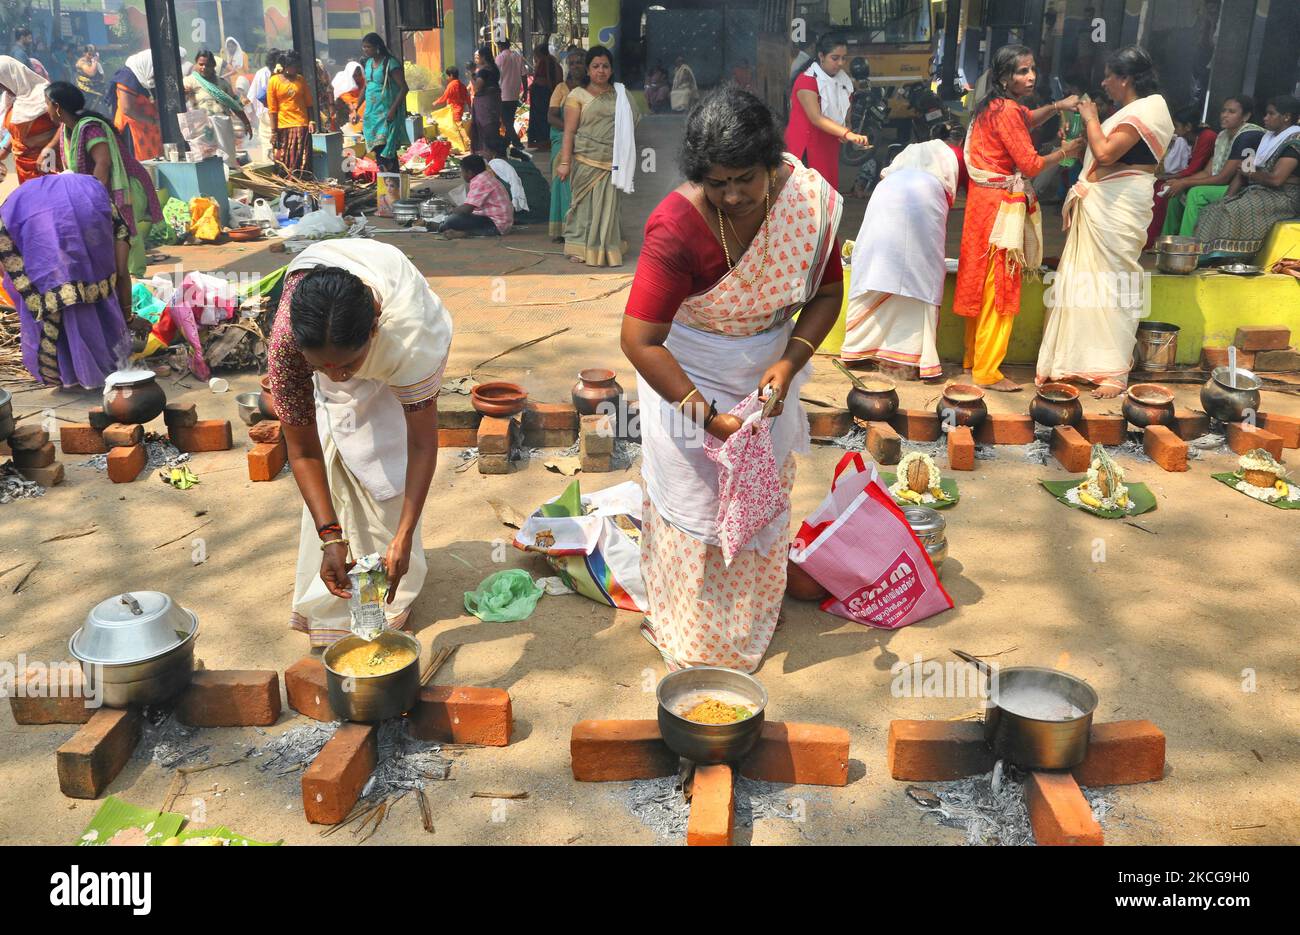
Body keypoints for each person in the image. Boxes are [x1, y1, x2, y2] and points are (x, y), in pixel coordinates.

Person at [621, 87, 844, 673]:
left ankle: (750, 613)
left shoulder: (804, 204)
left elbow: (827, 294)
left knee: (760, 497)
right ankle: (691, 631)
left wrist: (790, 361)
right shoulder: (675, 228)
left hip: (769, 381)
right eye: (717, 183)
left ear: (774, 164)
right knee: (697, 502)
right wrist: (708, 416)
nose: (734, 195)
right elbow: (640, 341)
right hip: (687, 379)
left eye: (746, 178)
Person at [267, 240, 452, 648]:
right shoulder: (286, 347)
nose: (335, 377)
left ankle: (396, 588)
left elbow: (421, 445)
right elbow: (302, 450)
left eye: (348, 365)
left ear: (374, 329)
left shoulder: (408, 339)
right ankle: (339, 605)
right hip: (338, 331)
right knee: (335, 442)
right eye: (320, 367)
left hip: (395, 333)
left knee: (386, 456)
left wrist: (403, 533)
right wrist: (330, 536)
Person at [1036, 46, 1174, 398]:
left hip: (1120, 205)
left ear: (1125, 78)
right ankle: (1076, 362)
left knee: (1114, 284)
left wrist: (1092, 116)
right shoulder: (1128, 111)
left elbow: (1107, 153)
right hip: (1101, 203)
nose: (1104, 82)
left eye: (1109, 75)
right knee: (1084, 282)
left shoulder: (1148, 109)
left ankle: (1113, 370)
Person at [953, 44, 1083, 392]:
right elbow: (1031, 165)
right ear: (1004, 77)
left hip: (982, 203)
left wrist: (1058, 106)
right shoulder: (1008, 111)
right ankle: (988, 371)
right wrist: (1066, 152)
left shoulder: (992, 106)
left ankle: (973, 360)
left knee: (980, 279)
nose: (1031, 76)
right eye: (1022, 71)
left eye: (1032, 70)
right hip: (1000, 207)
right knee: (1000, 282)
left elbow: (1028, 117)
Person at [0, 173, 145, 389]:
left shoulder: (97, 201)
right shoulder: (115, 220)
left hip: (22, 214)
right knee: (82, 288)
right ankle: (88, 369)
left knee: (58, 289)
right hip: (32, 216)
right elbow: (122, 273)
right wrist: (128, 317)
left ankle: (65, 372)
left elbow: (12, 276)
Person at [842, 140, 961, 381]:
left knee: (876, 270)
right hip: (920, 238)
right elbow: (936, 233)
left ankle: (859, 350)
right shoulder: (935, 185)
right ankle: (914, 357)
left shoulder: (887, 182)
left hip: (880, 244)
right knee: (921, 279)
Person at [43, 81, 162, 278]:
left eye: (46, 103)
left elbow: (103, 163)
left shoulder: (90, 128)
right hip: (103, 186)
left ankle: (135, 278)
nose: (45, 109)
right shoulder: (69, 126)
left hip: (123, 186)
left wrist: (92, 198)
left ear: (56, 107)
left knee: (125, 230)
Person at [556, 46, 637, 267]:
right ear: (588, 70)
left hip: (613, 160)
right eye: (596, 66)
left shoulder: (620, 94)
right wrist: (565, 162)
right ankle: (578, 246)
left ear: (611, 70)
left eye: (605, 66)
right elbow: (569, 131)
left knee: (610, 207)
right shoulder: (577, 95)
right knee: (582, 206)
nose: (601, 71)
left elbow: (633, 123)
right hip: (585, 158)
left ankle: (608, 247)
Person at [1195, 95, 1300, 263]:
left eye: (1270, 114)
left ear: (1286, 117)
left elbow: (1276, 180)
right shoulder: (1266, 139)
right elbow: (1243, 171)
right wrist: (1228, 196)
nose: (1265, 118)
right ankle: (1203, 257)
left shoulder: (1294, 141)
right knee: (1215, 208)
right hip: (1261, 192)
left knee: (1232, 211)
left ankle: (1229, 259)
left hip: (1284, 197)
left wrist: (1249, 174)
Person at [1160, 95, 1263, 238]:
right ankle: (1166, 242)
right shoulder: (1223, 136)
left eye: (1231, 112)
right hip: (1224, 185)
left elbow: (1223, 178)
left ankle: (1186, 246)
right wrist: (1179, 183)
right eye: (1223, 111)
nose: (1225, 115)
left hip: (1245, 188)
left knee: (1196, 193)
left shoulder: (1248, 135)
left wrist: (1185, 182)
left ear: (1246, 116)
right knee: (1175, 192)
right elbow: (1207, 172)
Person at [784, 32, 869, 191]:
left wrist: (847, 127)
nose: (840, 63)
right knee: (808, 197)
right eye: (835, 58)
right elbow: (816, 118)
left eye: (844, 58)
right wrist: (846, 133)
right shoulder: (807, 80)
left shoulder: (842, 80)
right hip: (806, 148)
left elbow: (845, 108)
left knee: (826, 195)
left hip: (828, 145)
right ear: (821, 56)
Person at [1145, 105, 1217, 247]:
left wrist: (1167, 177)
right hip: (1195, 177)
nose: (1174, 129)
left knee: (1166, 189)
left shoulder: (1207, 136)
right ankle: (1163, 242)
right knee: (1162, 189)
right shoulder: (1189, 139)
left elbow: (1194, 168)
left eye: (1176, 126)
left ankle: (1181, 246)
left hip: (1205, 179)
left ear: (1188, 126)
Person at [184, 49, 252, 166]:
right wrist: (185, 93)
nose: (204, 68)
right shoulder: (189, 81)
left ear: (214, 65)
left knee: (227, 159)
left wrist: (246, 123)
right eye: (201, 64)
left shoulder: (223, 83)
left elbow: (235, 105)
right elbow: (181, 101)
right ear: (196, 64)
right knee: (206, 159)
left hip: (222, 126)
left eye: (207, 65)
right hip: (203, 128)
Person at [0, 55, 56, 184]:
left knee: (50, 198)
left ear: (10, 77)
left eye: (1, 83)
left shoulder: (44, 95)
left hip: (47, 161)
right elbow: (16, 133)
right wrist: (5, 151)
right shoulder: (10, 99)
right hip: (23, 165)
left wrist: (49, 147)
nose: (2, 88)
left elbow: (63, 126)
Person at [548, 50, 586, 240]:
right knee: (562, 173)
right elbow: (551, 116)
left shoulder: (593, 88)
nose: (575, 66)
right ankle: (563, 228)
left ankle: (584, 227)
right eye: (571, 63)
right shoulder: (562, 88)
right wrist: (571, 130)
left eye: (579, 62)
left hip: (588, 138)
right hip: (563, 137)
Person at [360, 32, 409, 173]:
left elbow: (404, 88)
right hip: (371, 114)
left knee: (387, 150)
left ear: (377, 47)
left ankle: (391, 184)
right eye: (363, 47)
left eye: (368, 47)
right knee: (377, 149)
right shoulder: (368, 63)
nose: (365, 50)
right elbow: (366, 87)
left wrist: (393, 110)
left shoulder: (390, 63)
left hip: (387, 113)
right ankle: (388, 184)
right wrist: (355, 107)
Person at [437, 154, 512, 238]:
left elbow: (466, 210)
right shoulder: (486, 176)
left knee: (451, 220)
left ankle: (443, 227)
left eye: (462, 171)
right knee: (454, 218)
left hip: (496, 225)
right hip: (501, 222)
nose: (462, 175)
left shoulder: (480, 181)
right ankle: (452, 228)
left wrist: (452, 210)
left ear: (469, 173)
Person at [108, 49, 161, 161]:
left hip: (150, 129)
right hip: (132, 130)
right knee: (139, 165)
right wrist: (153, 121)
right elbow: (127, 109)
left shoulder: (146, 75)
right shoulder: (127, 77)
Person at [268, 50, 315, 177]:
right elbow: (272, 109)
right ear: (284, 65)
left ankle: (302, 183)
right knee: (284, 159)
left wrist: (311, 120)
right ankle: (289, 185)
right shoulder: (274, 81)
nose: (295, 68)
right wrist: (273, 132)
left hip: (301, 124)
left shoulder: (301, 80)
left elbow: (309, 103)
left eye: (296, 65)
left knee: (301, 159)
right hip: (283, 127)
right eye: (292, 65)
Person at [494, 38, 526, 157]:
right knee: (509, 120)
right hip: (514, 93)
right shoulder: (517, 56)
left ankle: (517, 143)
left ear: (500, 46)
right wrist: (526, 91)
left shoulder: (500, 58)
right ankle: (505, 143)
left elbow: (496, 76)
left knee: (507, 121)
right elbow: (524, 75)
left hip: (503, 94)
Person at [528, 43, 562, 150]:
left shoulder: (544, 61)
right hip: (545, 92)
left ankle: (543, 141)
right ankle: (544, 141)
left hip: (542, 93)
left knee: (541, 118)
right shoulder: (552, 61)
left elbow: (545, 77)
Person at [470, 64, 506, 158]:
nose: (476, 60)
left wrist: (472, 77)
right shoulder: (494, 72)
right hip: (491, 116)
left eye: (477, 57)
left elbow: (477, 86)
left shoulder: (484, 72)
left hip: (486, 116)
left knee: (488, 133)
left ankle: (489, 153)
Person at [331, 61, 365, 132]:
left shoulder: (364, 84)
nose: (358, 78)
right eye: (355, 75)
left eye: (360, 74)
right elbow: (349, 104)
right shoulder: (344, 86)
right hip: (346, 120)